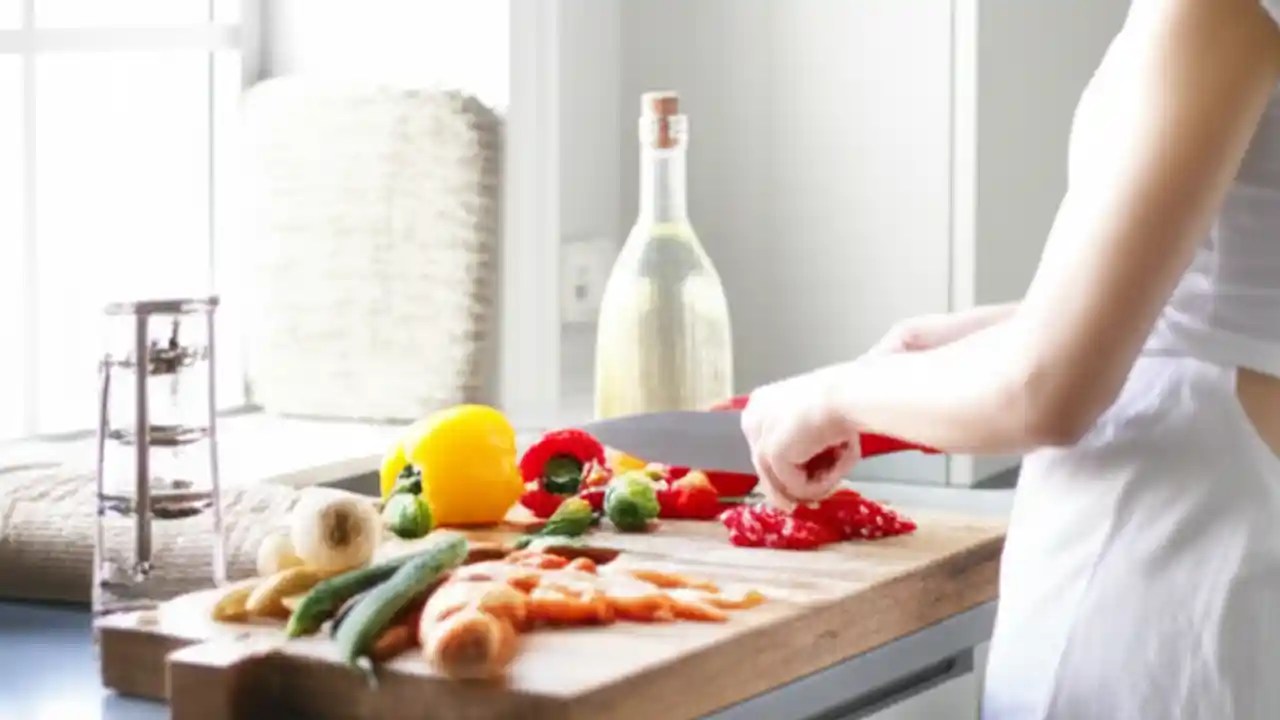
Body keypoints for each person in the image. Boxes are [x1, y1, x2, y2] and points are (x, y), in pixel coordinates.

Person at [739, 1, 1280, 717]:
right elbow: (1236, 293)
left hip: (1160, 555)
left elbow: (1045, 391)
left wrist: (831, 395)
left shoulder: (1208, 11)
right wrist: (985, 334)